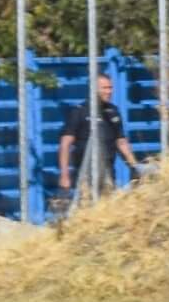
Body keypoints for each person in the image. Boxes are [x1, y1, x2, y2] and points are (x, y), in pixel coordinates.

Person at [57, 71, 140, 208]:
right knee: (86, 207)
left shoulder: (113, 111)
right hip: (85, 172)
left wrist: (133, 165)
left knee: (108, 209)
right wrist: (64, 174)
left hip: (107, 171)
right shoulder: (80, 111)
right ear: (94, 89)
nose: (109, 91)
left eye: (110, 88)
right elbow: (65, 144)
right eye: (105, 88)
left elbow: (121, 142)